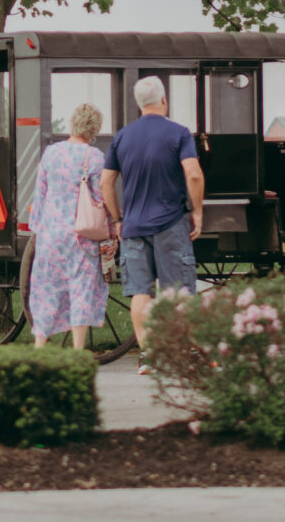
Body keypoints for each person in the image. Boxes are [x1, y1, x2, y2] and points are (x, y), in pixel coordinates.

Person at [102, 75, 203, 365]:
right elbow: (193, 174)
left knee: (140, 293)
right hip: (170, 223)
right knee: (179, 290)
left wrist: (118, 219)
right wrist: (197, 211)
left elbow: (106, 182)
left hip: (133, 227)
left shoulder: (122, 136)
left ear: (138, 103)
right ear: (164, 100)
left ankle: (148, 356)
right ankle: (187, 352)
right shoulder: (179, 133)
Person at [25, 103, 112, 349]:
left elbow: (39, 195)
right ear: (94, 128)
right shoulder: (93, 156)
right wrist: (112, 231)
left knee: (46, 289)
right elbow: (99, 199)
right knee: (81, 290)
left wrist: (38, 227)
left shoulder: (51, 153)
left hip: (50, 235)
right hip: (80, 237)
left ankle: (39, 345)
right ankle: (77, 350)